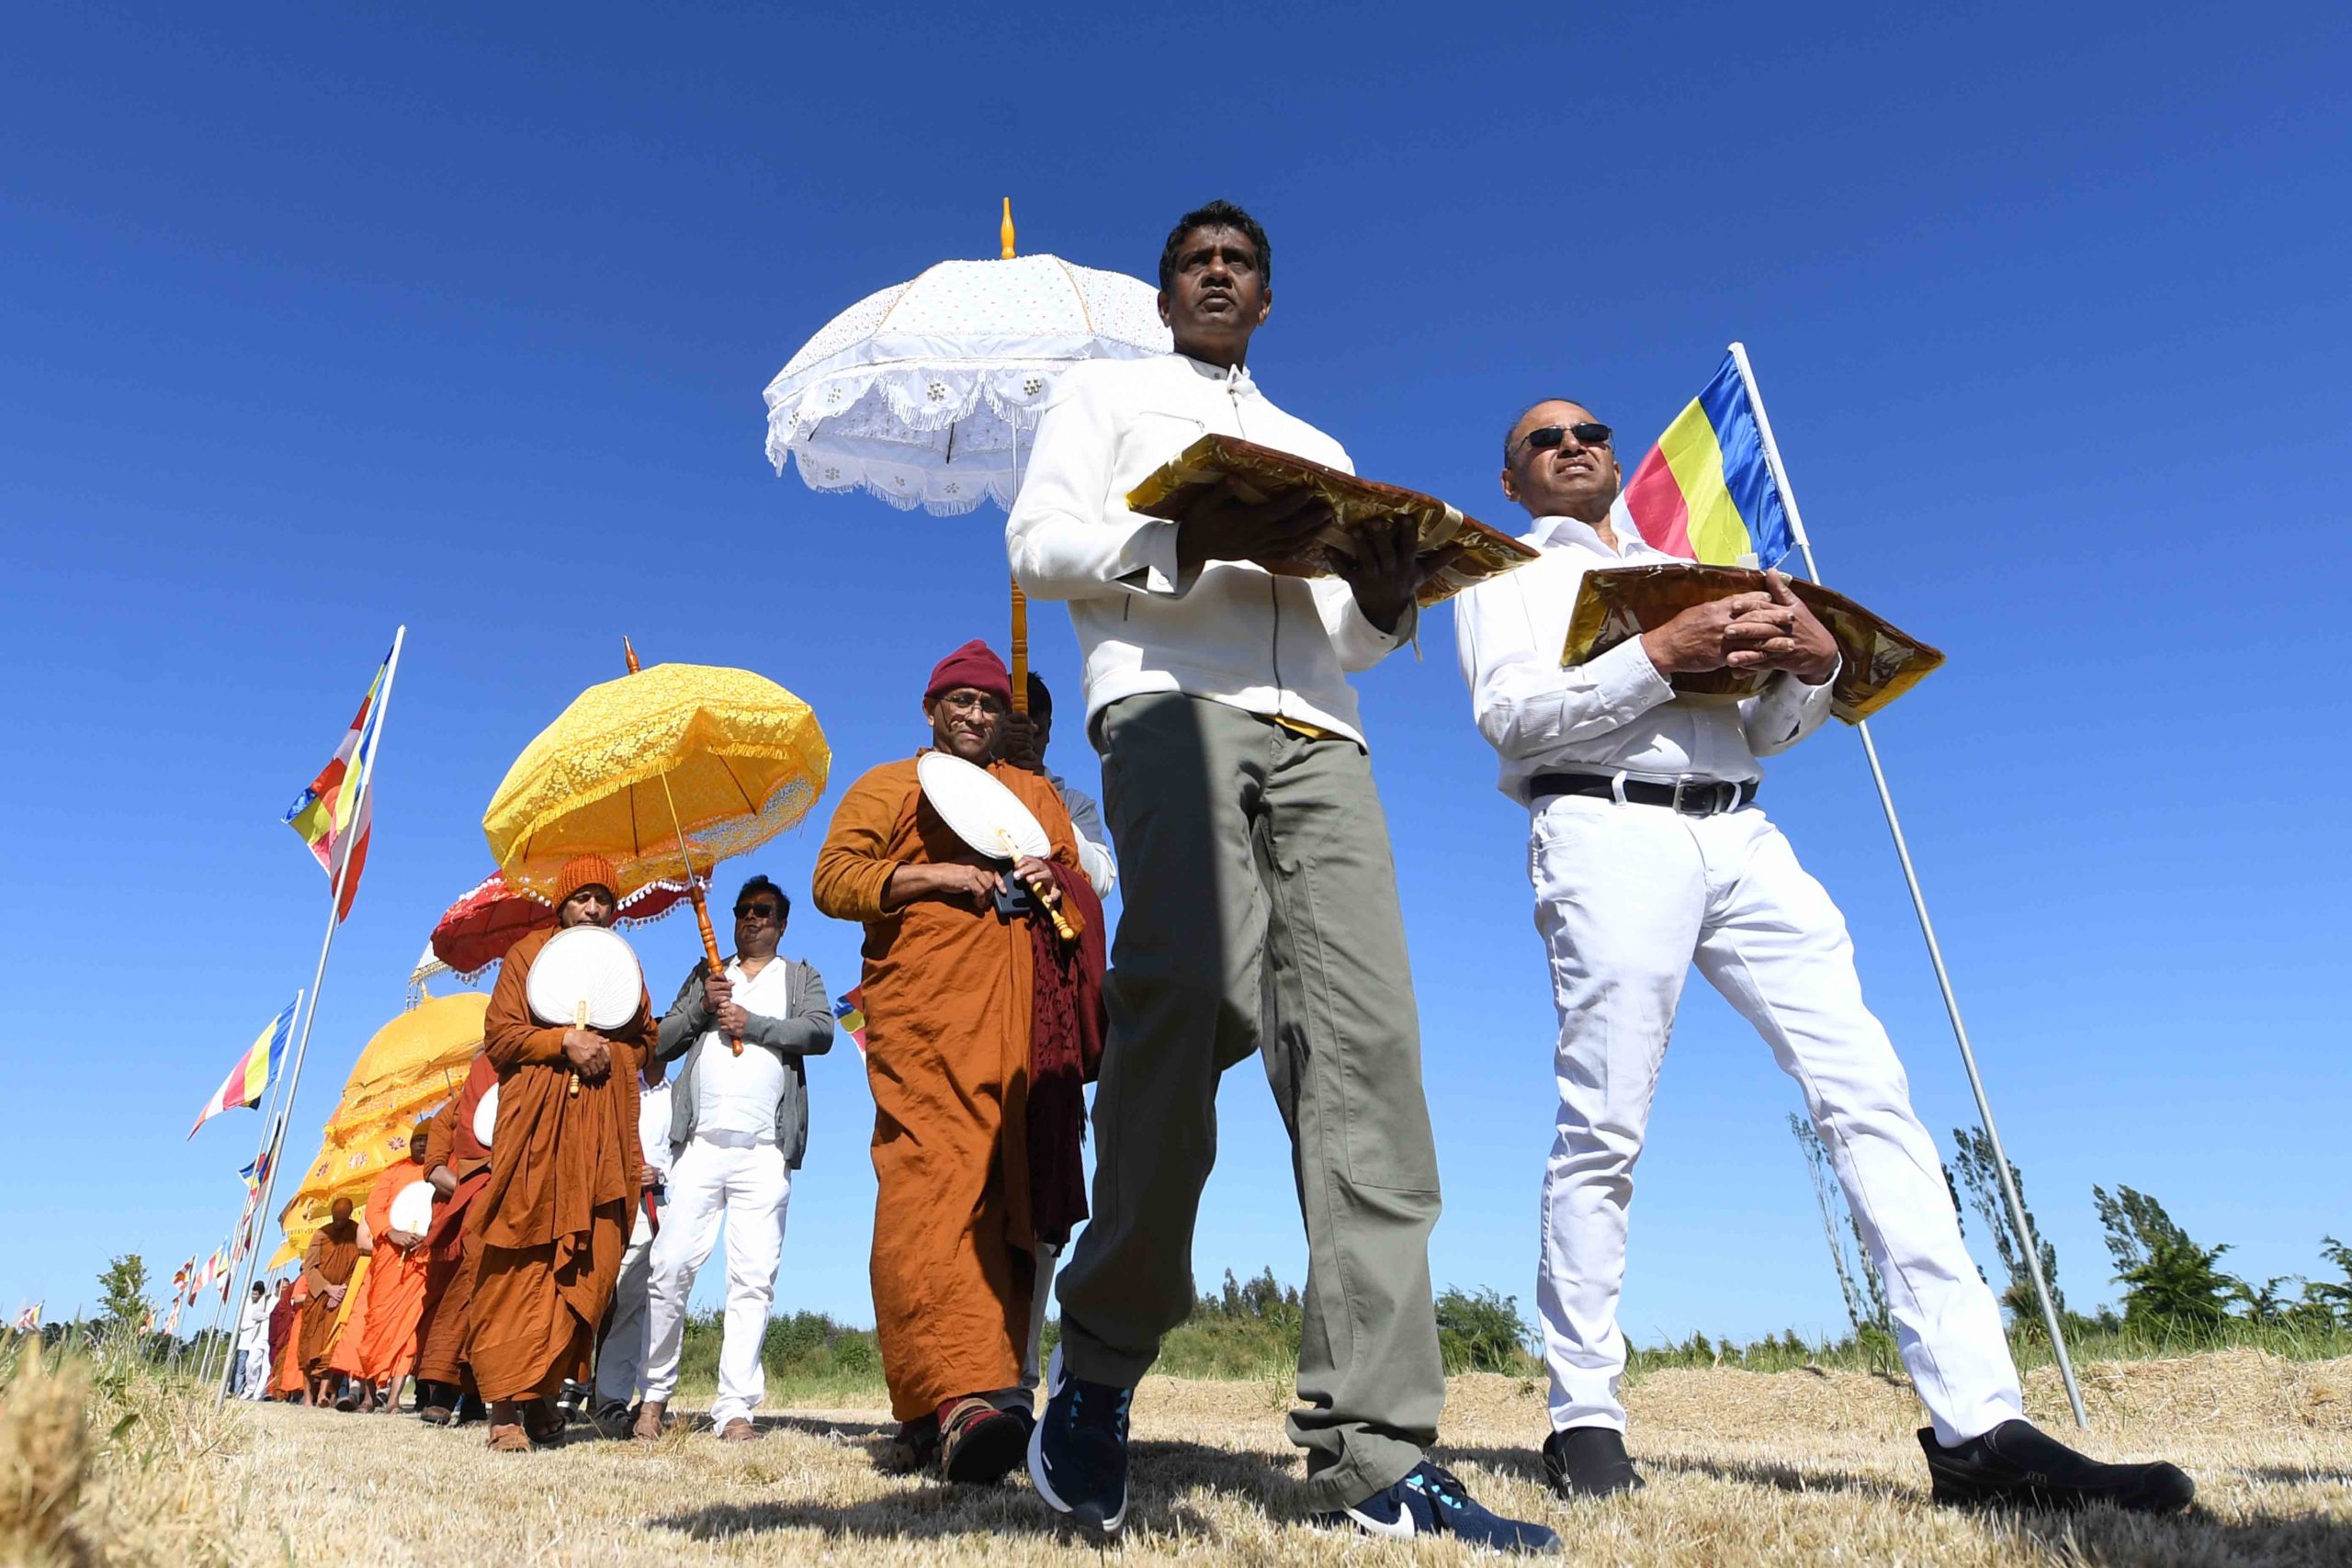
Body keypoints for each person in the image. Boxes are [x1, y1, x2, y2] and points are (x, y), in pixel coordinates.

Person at [1453, 398, 2195, 1515]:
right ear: (1511, 479)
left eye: (1589, 431)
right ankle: (1583, 1417)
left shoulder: (1690, 563)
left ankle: (1977, 1426)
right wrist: (1659, 655)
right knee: (1603, 1123)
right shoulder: (1501, 566)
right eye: (1543, 440)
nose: (1574, 446)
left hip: (1743, 833)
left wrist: (1810, 669)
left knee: (1870, 1094)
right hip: (1602, 831)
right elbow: (1509, 720)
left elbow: (1763, 735)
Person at [1005, 199, 1553, 1552]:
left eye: (1238, 264)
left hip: (1326, 736)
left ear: (1264, 299)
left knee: (1368, 1051)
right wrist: (1174, 541)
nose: (1215, 275)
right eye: (1194, 260)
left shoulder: (1317, 446)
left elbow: (1354, 645)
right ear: (1163, 290)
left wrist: (1381, 591)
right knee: (1189, 992)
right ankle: (1096, 1372)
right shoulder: (1107, 400)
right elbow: (1038, 547)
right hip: (1163, 702)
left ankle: (1374, 1450)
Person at [811, 640, 1089, 1485]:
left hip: (1018, 1022)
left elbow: (1076, 885)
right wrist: (930, 876)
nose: (975, 715)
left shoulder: (1035, 792)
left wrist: (1051, 874)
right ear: (931, 710)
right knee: (930, 1180)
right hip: (926, 1016)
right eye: (958, 702)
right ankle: (954, 1392)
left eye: (988, 704)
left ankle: (987, 1394)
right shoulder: (888, 784)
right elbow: (833, 880)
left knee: (1008, 1192)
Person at [631, 875, 834, 1443]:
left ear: (781, 923)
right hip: (698, 1146)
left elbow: (821, 1033)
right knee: (669, 1268)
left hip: (765, 1151)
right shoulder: (707, 974)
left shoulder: (799, 977)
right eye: (743, 910)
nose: (751, 919)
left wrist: (754, 1025)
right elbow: (660, 1042)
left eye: (763, 911)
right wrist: (702, 1008)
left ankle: (734, 1409)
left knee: (752, 1280)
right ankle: (653, 1399)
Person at [462, 854, 654, 1452]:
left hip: (600, 1141)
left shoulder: (622, 966)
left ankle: (544, 1395)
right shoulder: (530, 955)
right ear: (562, 903)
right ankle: (502, 1407)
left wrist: (609, 1050)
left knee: (590, 1263)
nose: (594, 908)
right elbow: (500, 1035)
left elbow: (644, 1039)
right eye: (582, 897)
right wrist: (562, 1040)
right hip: (537, 1139)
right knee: (520, 1253)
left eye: (604, 898)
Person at [327, 1119, 435, 1413]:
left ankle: (395, 1400)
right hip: (388, 1256)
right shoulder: (393, 1172)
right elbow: (375, 1211)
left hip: (422, 1261)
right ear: (411, 1142)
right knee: (376, 1325)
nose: (423, 1145)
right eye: (418, 1139)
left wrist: (429, 1236)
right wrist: (392, 1233)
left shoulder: (441, 1171)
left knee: (409, 1331)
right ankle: (367, 1396)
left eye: (429, 1139)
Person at [591, 1055, 674, 1431]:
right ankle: (594, 1392)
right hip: (617, 1203)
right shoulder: (621, 1091)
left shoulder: (679, 1096)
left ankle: (634, 1398)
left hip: (663, 1206)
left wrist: (663, 1174)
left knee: (653, 1304)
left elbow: (687, 1152)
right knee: (614, 1297)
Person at [413, 1051, 496, 1426]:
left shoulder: (504, 1104)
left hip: (495, 1215)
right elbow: (433, 1171)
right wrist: (474, 1188)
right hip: (453, 1219)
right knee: (453, 1305)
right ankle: (441, 1391)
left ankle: (475, 1399)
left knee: (487, 1301)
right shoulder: (449, 1114)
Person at [998, 673, 1117, 898]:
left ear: (1048, 730)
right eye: (1013, 729)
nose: (1026, 741)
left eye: (1036, 731)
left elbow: (1100, 881)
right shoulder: (969, 788)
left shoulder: (1074, 804)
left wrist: (1039, 789)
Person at [297, 1196, 362, 1406]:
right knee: (309, 1347)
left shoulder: (355, 1233)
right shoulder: (321, 1234)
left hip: (341, 1296)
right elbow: (310, 1267)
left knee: (331, 1346)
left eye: (344, 1218)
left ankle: (324, 1394)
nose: (340, 1222)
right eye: (337, 1218)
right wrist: (328, 1288)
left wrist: (342, 1290)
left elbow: (358, 1264)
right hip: (319, 1296)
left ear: (350, 1215)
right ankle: (308, 1396)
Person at [233, 1281, 272, 1399]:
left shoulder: (268, 1301)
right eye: (253, 1294)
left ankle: (256, 1393)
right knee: (244, 1367)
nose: (254, 1296)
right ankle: (240, 1391)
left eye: (256, 1295)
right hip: (248, 1341)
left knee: (261, 1368)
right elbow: (250, 1319)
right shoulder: (248, 1303)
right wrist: (265, 1317)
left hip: (263, 1339)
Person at [266, 1277, 298, 1400]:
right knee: (278, 1365)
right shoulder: (281, 1302)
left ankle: (290, 1393)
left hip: (293, 1336)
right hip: (281, 1339)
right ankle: (274, 1392)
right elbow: (275, 1318)